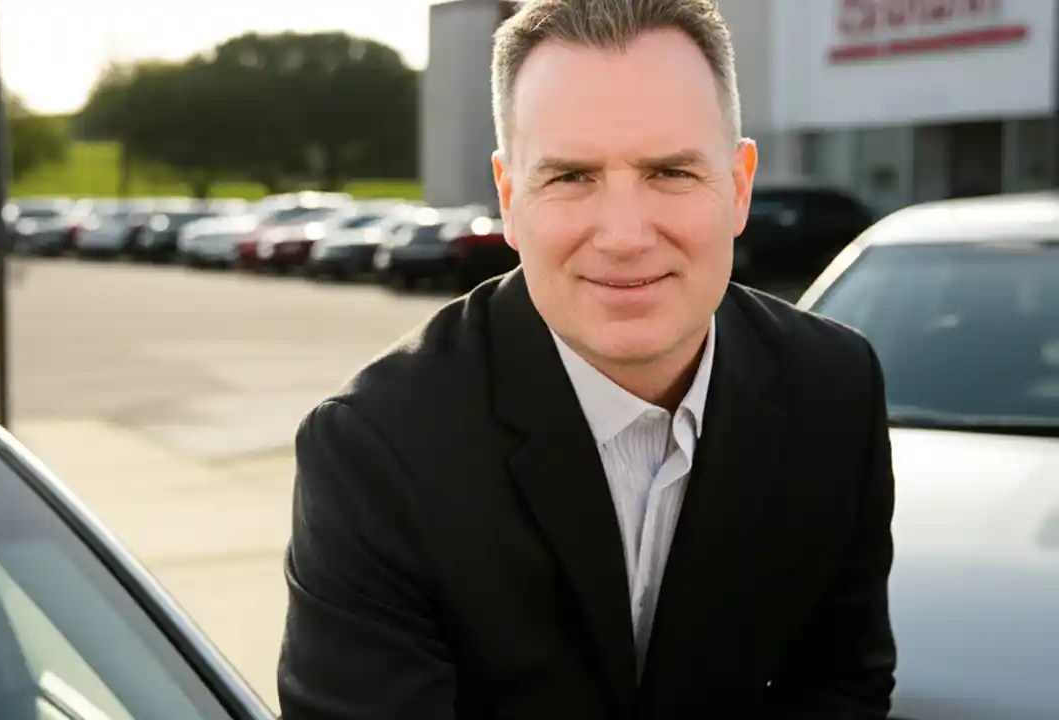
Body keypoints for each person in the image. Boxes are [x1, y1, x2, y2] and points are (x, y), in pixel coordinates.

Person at [278, 0, 897, 717]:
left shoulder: (835, 389)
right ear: (510, 197)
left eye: (670, 172)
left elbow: (842, 685)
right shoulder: (375, 449)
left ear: (739, 186)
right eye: (572, 176)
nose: (625, 235)